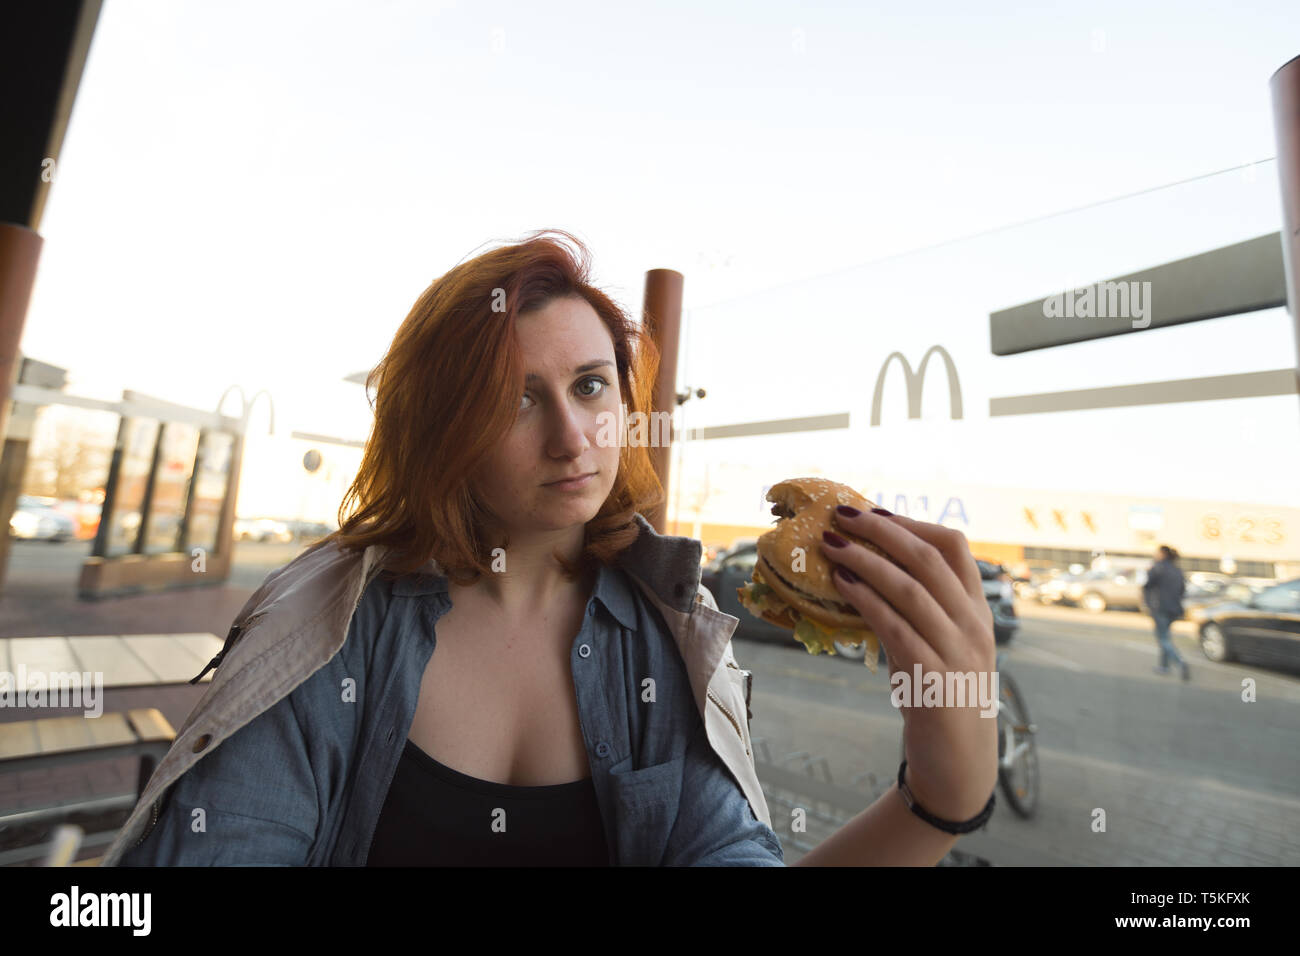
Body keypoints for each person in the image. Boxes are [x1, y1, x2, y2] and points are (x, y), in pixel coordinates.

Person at [105, 229, 997, 867]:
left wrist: (936, 799)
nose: (573, 438)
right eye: (516, 399)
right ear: (441, 431)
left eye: (590, 385)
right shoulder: (331, 631)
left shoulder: (666, 636)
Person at [1143, 545, 1189, 681]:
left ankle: (1180, 662)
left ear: (1163, 554)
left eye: (1157, 552)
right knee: (1165, 637)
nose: (1155, 554)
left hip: (1160, 607)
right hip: (1174, 609)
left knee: (1163, 638)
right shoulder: (1178, 570)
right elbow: (1182, 590)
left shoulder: (1158, 568)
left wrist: (1148, 604)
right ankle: (1164, 666)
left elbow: (1147, 586)